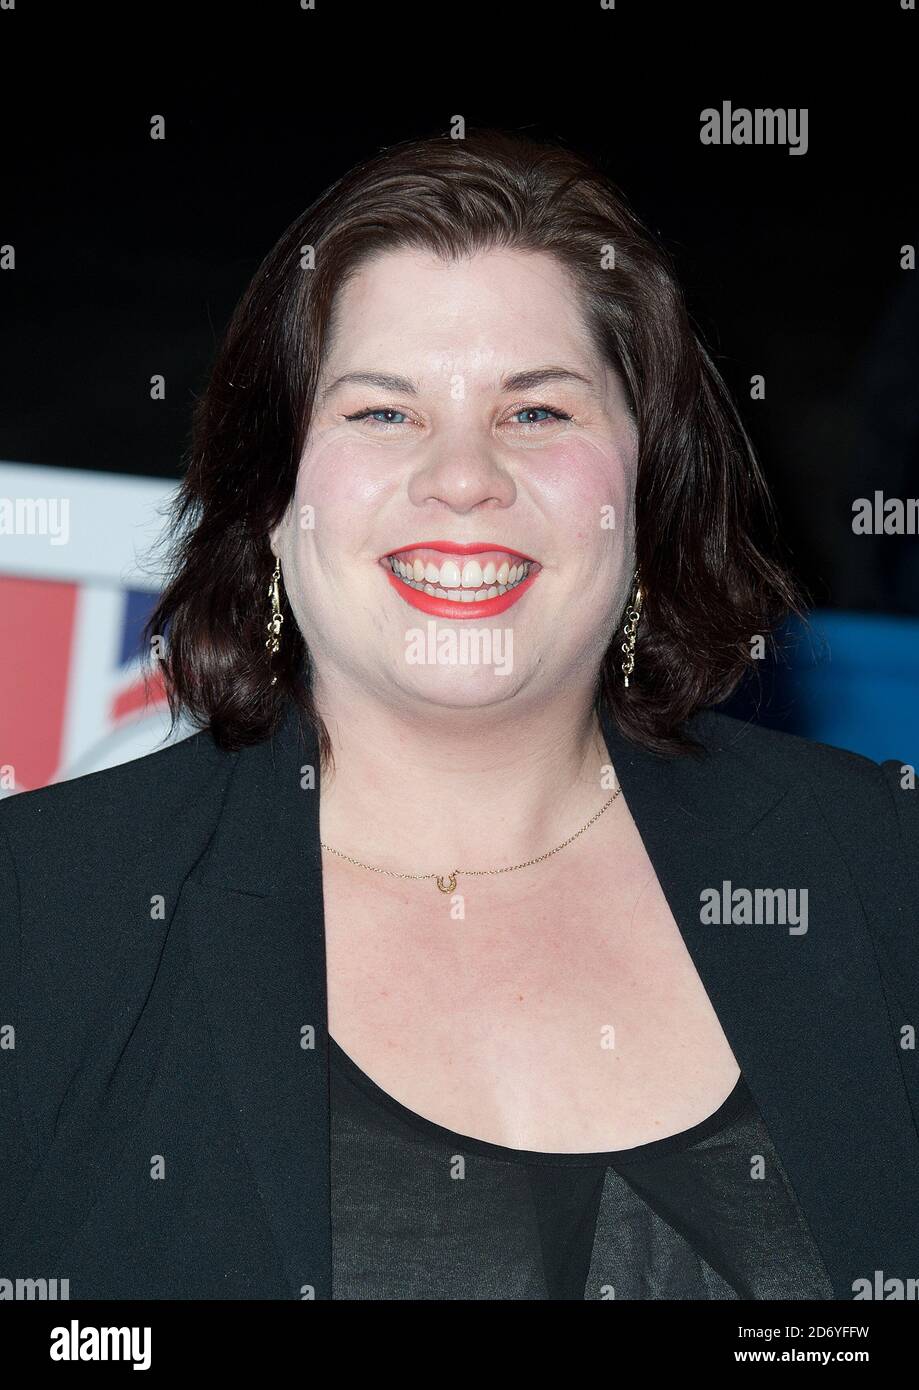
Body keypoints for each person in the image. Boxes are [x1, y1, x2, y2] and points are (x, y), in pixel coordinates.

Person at [2, 129, 918, 1301]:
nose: (463, 475)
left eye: (537, 412)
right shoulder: (38, 922)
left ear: (647, 488)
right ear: (272, 501)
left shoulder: (876, 867)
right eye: (381, 413)